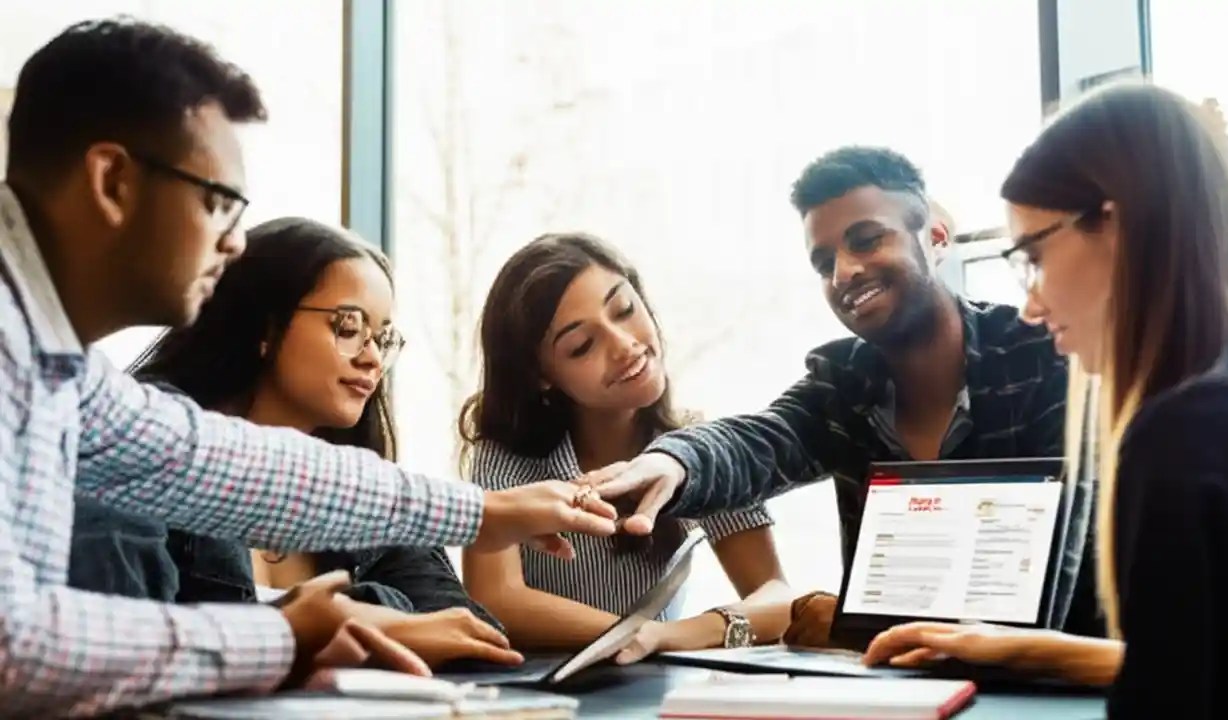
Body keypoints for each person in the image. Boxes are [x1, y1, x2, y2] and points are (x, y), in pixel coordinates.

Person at [0, 18, 613, 716]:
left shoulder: (55, 367)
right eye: (219, 202)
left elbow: (222, 464)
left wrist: (482, 512)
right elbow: (13, 650)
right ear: (111, 180)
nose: (234, 245)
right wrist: (281, 633)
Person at [862, 83, 1228, 717]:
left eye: (1032, 256)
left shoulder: (1184, 434)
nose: (1030, 303)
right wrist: (1040, 652)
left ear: (1115, 224)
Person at [580, 146, 1104, 645]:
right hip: (897, 695)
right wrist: (673, 462)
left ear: (936, 236)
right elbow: (759, 440)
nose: (844, 272)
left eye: (866, 239)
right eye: (823, 261)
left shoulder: (1045, 358)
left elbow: (1055, 591)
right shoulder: (842, 383)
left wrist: (853, 625)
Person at [68, 216, 517, 670]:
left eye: (382, 338)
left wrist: (346, 617)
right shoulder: (147, 439)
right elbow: (126, 630)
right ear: (264, 326)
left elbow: (474, 636)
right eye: (347, 328)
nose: (372, 358)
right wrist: (350, 622)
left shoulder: (359, 481)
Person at [460, 233, 796, 662]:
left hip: (655, 683)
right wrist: (641, 634)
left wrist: (677, 635)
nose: (623, 345)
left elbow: (777, 597)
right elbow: (497, 598)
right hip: (540, 689)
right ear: (541, 376)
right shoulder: (507, 454)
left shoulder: (698, 449)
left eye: (624, 310)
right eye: (582, 346)